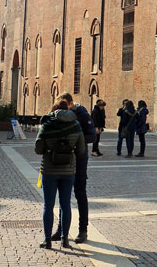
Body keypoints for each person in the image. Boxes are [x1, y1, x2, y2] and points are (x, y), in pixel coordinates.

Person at [34, 98, 85, 250]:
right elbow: (81, 150)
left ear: (54, 109)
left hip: (49, 170)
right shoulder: (76, 125)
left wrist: (50, 149)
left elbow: (38, 149)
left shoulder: (47, 124)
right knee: (65, 205)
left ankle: (47, 240)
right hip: (68, 170)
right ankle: (65, 239)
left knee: (48, 206)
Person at [49, 93, 94, 244]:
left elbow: (92, 136)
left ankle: (83, 230)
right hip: (65, 158)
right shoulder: (62, 115)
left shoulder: (82, 114)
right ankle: (61, 230)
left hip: (79, 159)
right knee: (64, 195)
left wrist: (74, 141)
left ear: (71, 104)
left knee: (80, 193)